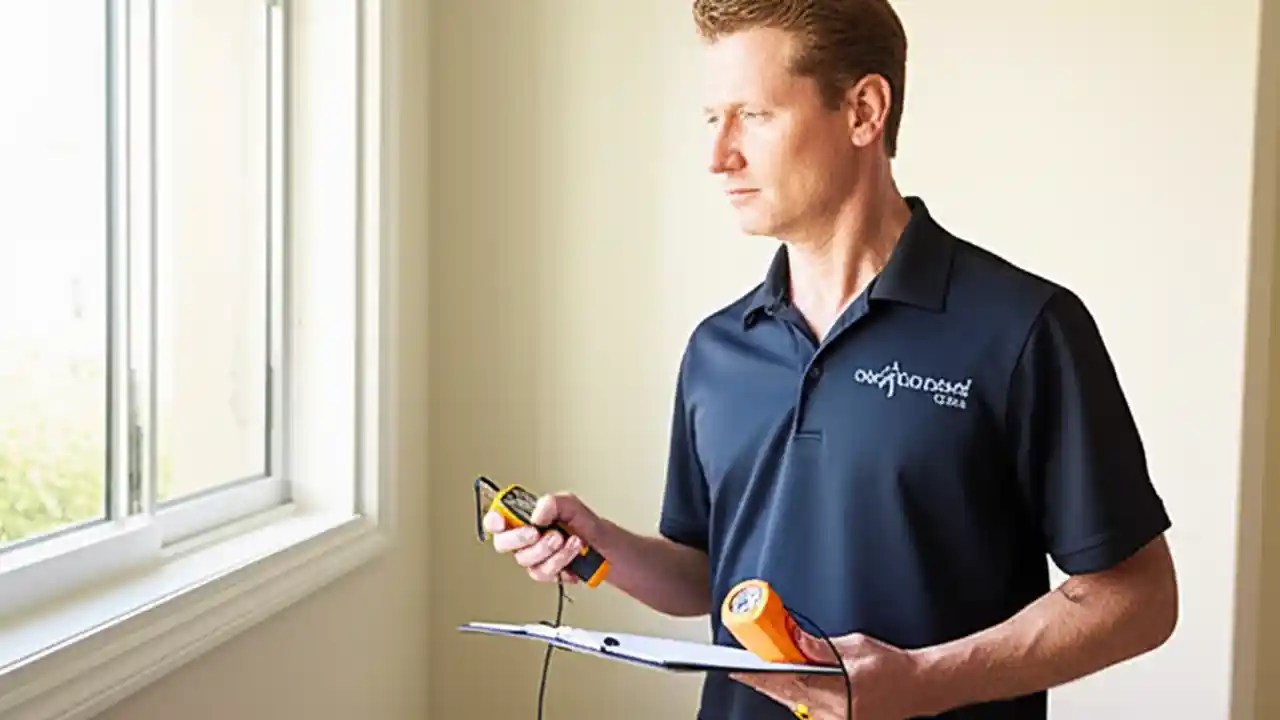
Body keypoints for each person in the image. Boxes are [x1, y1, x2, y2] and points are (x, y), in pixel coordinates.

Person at [483, 0, 1179, 717]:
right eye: (710, 118)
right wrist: (604, 546)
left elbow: (1141, 597)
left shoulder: (1025, 329)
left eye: (752, 116)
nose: (717, 155)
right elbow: (708, 576)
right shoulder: (718, 351)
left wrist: (924, 679)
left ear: (863, 111)